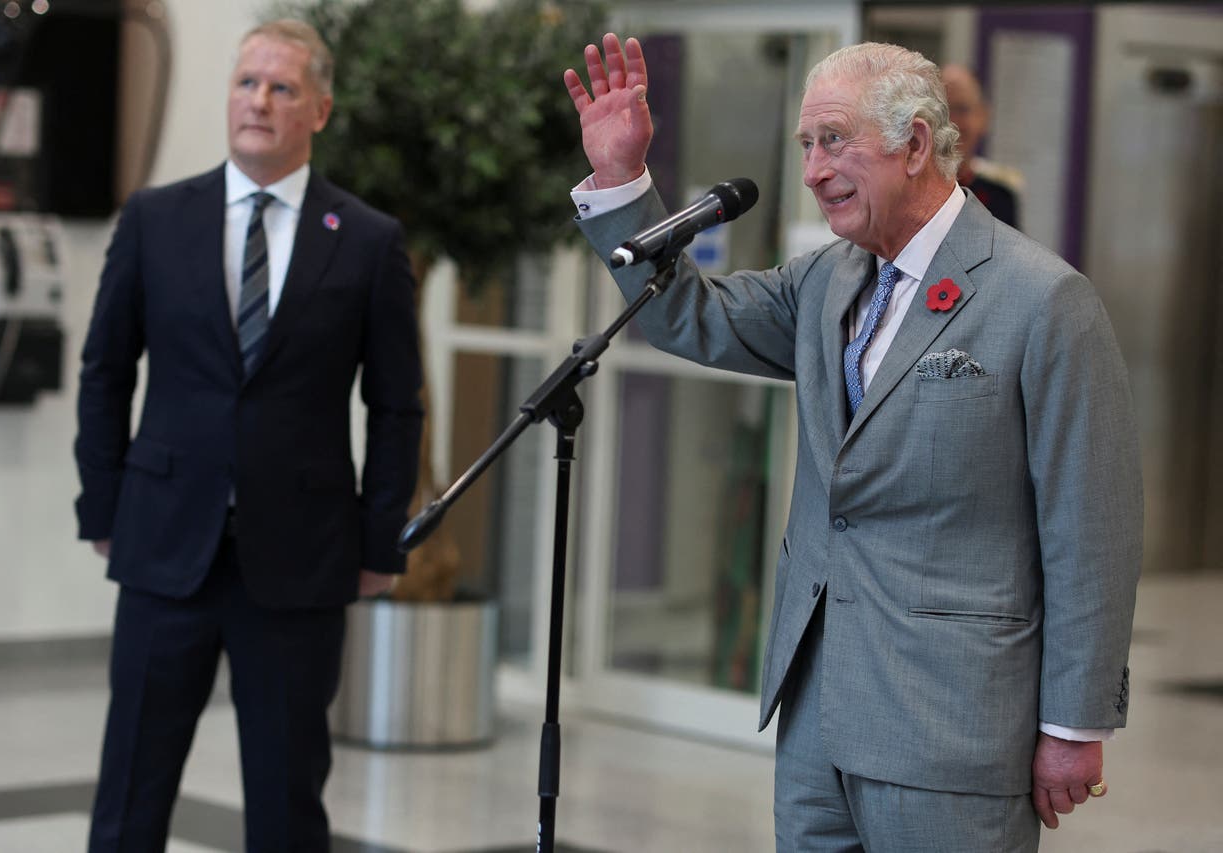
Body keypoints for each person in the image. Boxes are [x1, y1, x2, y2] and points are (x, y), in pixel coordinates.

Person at [564, 34, 1141, 851]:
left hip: (953, 727)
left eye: (833, 139)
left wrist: (1074, 723)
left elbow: (1094, 529)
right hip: (817, 715)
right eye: (806, 144)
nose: (811, 169)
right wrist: (623, 178)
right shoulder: (825, 279)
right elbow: (688, 315)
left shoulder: (1044, 300)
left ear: (915, 144)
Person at [74, 19, 422, 852]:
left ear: (320, 110)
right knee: (129, 793)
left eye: (282, 88)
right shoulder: (156, 218)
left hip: (301, 559)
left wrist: (381, 539)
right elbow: (104, 370)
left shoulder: (368, 240)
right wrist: (104, 506)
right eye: (246, 83)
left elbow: (396, 405)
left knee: (287, 800)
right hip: (164, 545)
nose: (259, 101)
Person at [942, 62, 1023, 228]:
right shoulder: (908, 191)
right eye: (943, 110)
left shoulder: (1000, 197)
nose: (952, 122)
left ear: (983, 117)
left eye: (962, 109)